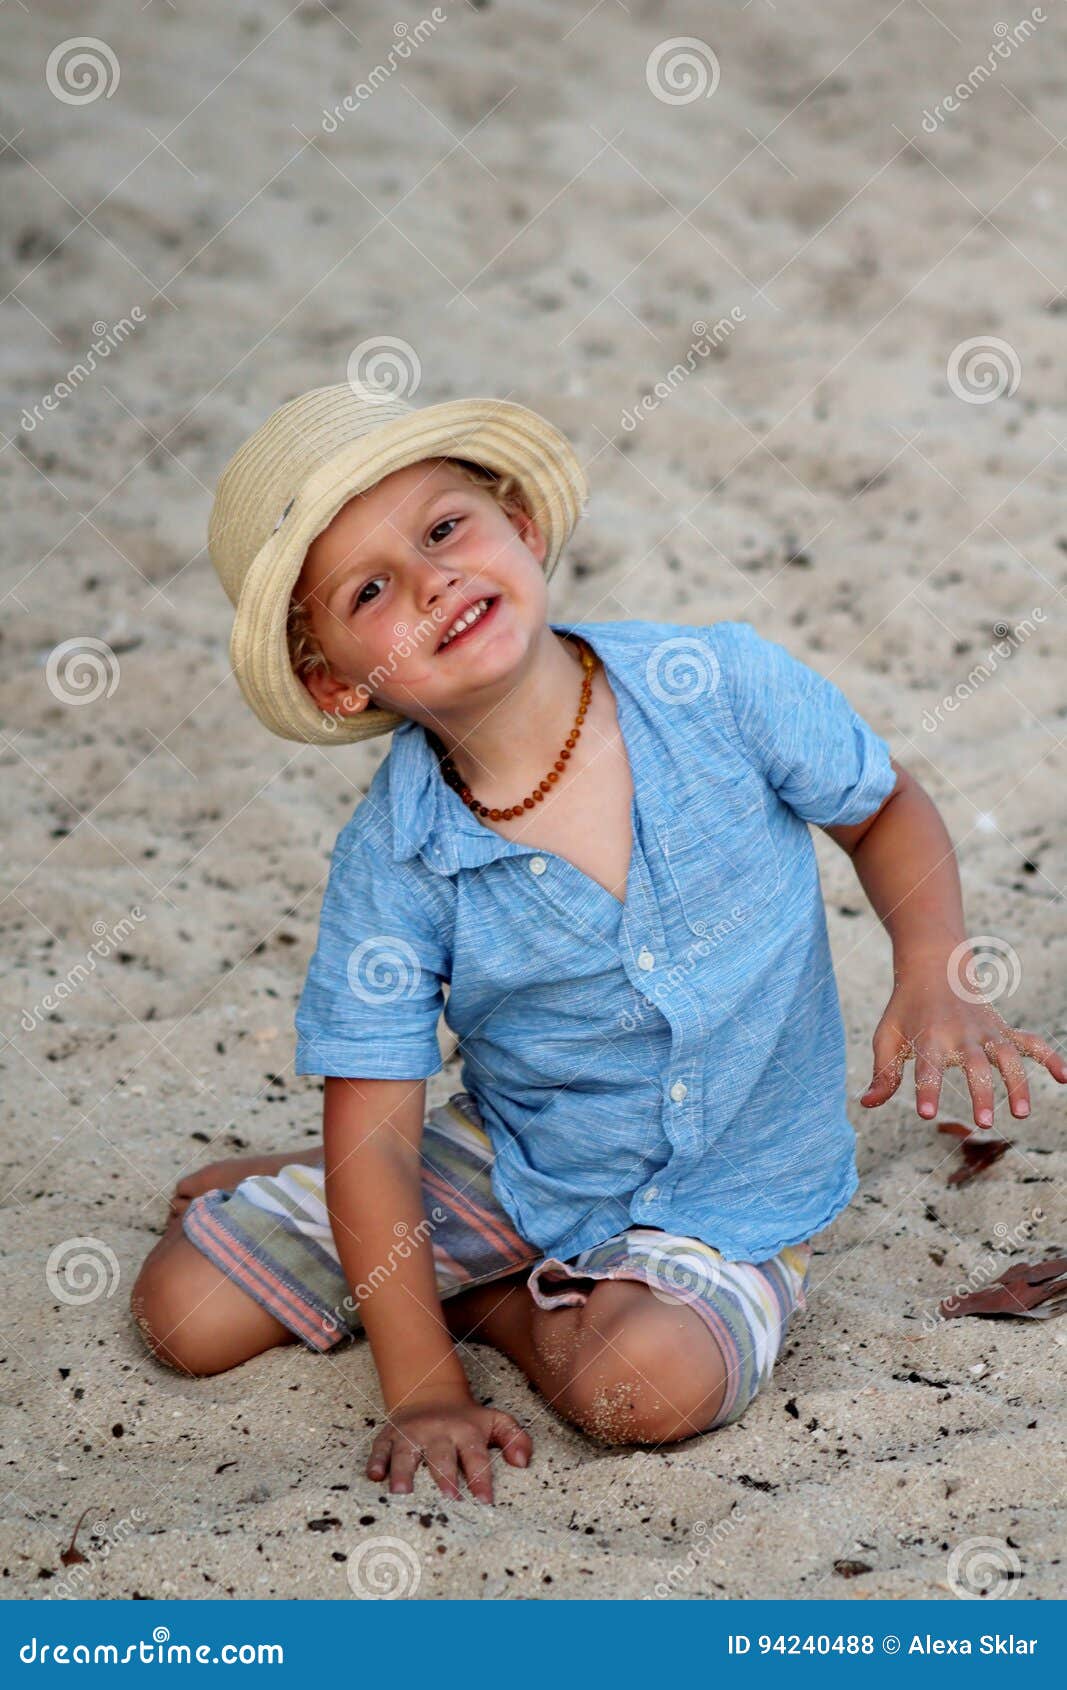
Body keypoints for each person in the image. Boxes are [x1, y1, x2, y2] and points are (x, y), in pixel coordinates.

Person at [131, 381, 1067, 1504]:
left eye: (443, 530)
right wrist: (421, 1389)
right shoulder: (393, 860)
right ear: (335, 680)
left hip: (733, 1187)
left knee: (641, 1390)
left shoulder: (715, 685)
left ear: (519, 528)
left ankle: (493, 1306)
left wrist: (933, 971)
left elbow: (880, 808)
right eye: (371, 589)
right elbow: (374, 1132)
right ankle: (446, 1281)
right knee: (183, 1312)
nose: (432, 582)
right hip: (528, 1161)